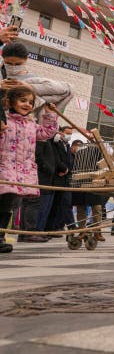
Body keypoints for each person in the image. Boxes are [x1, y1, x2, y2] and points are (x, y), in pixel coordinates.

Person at [0, 86, 58, 253]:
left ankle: (1, 236)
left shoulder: (31, 124)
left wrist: (49, 113)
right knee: (3, 204)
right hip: (5, 168)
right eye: (23, 100)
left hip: (21, 172)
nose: (27, 104)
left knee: (8, 205)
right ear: (9, 102)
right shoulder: (4, 121)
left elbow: (47, 133)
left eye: (31, 102)